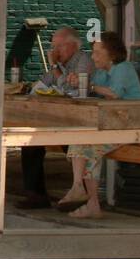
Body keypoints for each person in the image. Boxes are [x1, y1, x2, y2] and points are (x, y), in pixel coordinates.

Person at [58, 31, 140, 218]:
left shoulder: (124, 68)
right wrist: (76, 82)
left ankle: (85, 195)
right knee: (83, 142)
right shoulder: (103, 72)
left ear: (111, 53)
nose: (92, 56)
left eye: (97, 52)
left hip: (132, 127)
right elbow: (91, 90)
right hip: (112, 125)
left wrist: (89, 86)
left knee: (88, 144)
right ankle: (85, 195)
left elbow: (114, 93)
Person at [15, 26, 93, 210]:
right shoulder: (60, 65)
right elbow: (42, 85)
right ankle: (36, 195)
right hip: (59, 120)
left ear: (73, 45)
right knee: (30, 143)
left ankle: (81, 195)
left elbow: (71, 90)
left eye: (59, 46)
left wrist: (53, 66)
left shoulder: (83, 60)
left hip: (81, 122)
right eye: (53, 47)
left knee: (74, 145)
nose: (54, 51)